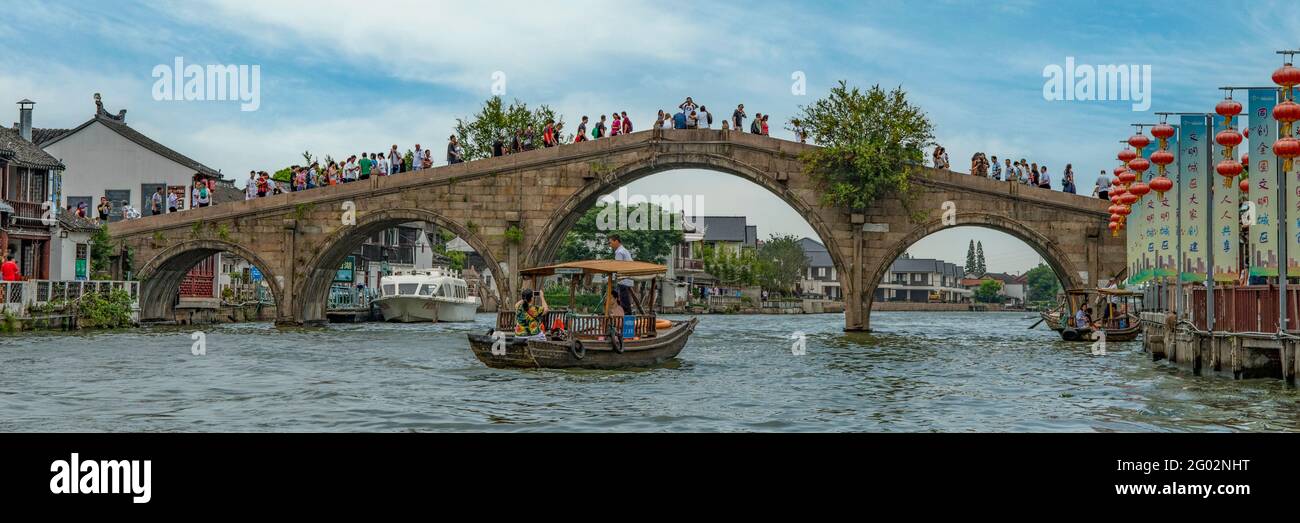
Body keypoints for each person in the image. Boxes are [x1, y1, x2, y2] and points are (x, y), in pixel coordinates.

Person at [609, 234, 634, 314]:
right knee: (624, 301)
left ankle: (626, 321)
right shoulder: (625, 251)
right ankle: (624, 319)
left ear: (616, 241)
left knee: (624, 303)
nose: (610, 245)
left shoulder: (619, 252)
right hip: (628, 280)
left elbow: (618, 268)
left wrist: (611, 278)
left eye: (611, 242)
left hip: (623, 280)